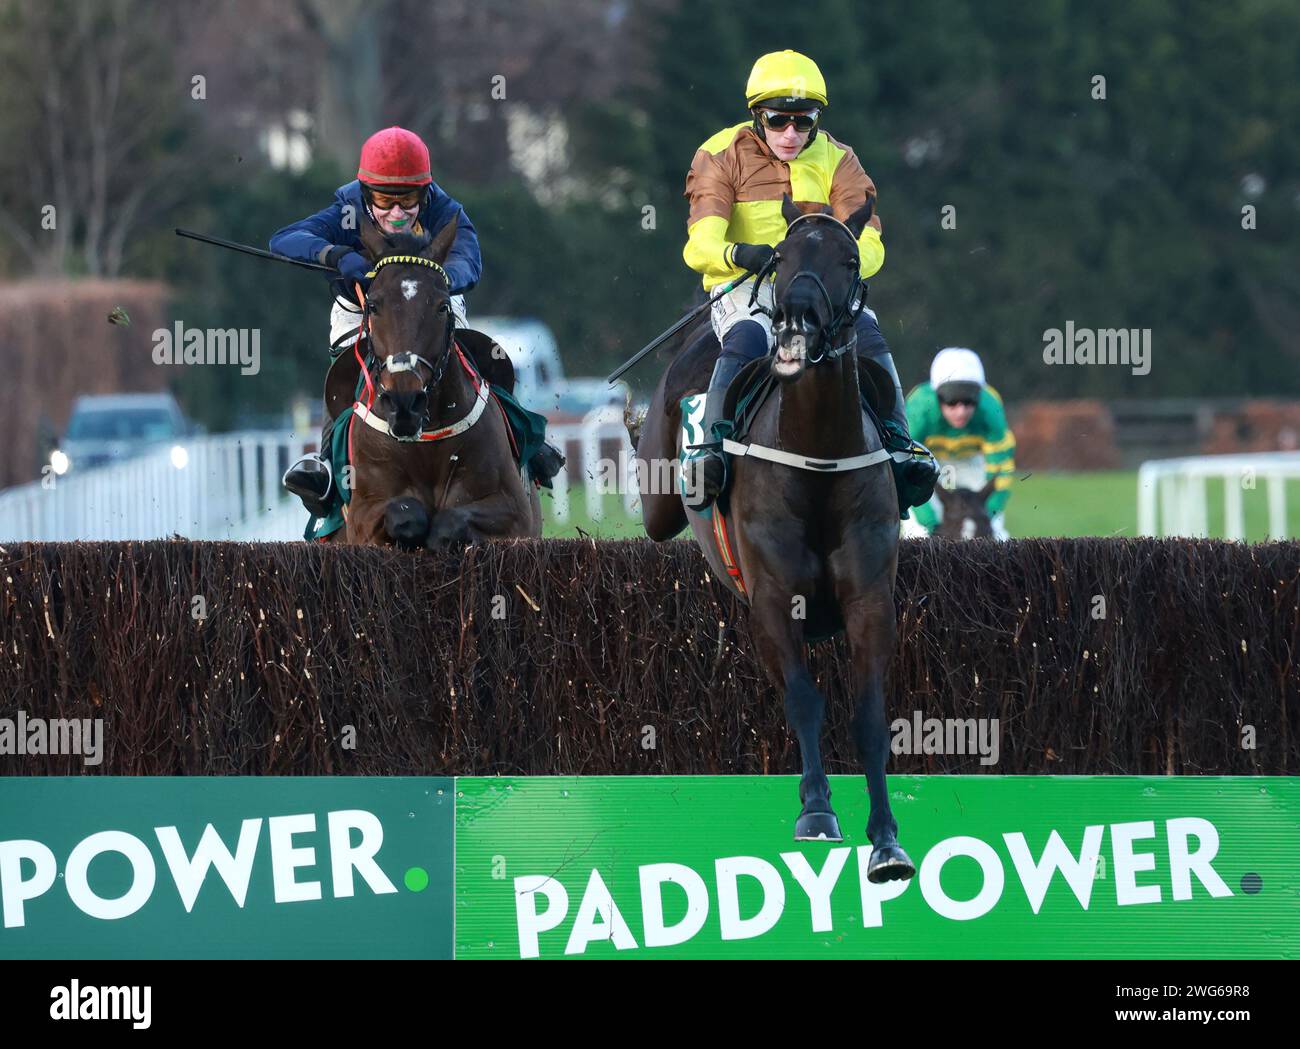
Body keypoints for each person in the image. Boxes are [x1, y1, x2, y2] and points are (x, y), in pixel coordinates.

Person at [679, 49, 938, 513]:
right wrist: (739, 253)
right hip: (747, 285)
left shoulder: (841, 160)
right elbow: (698, 248)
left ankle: (902, 445)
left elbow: (874, 245)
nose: (792, 134)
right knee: (748, 337)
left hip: (820, 290)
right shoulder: (718, 156)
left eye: (804, 121)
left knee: (869, 333)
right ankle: (709, 452)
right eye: (779, 121)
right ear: (757, 116)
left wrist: (837, 264)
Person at [902, 347, 1015, 539]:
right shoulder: (919, 409)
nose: (961, 411)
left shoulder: (990, 407)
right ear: (937, 395)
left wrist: (989, 512)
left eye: (969, 400)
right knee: (918, 534)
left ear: (979, 396)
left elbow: (1001, 469)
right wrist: (930, 522)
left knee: (996, 534)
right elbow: (908, 469)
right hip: (930, 463)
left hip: (973, 463)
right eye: (951, 400)